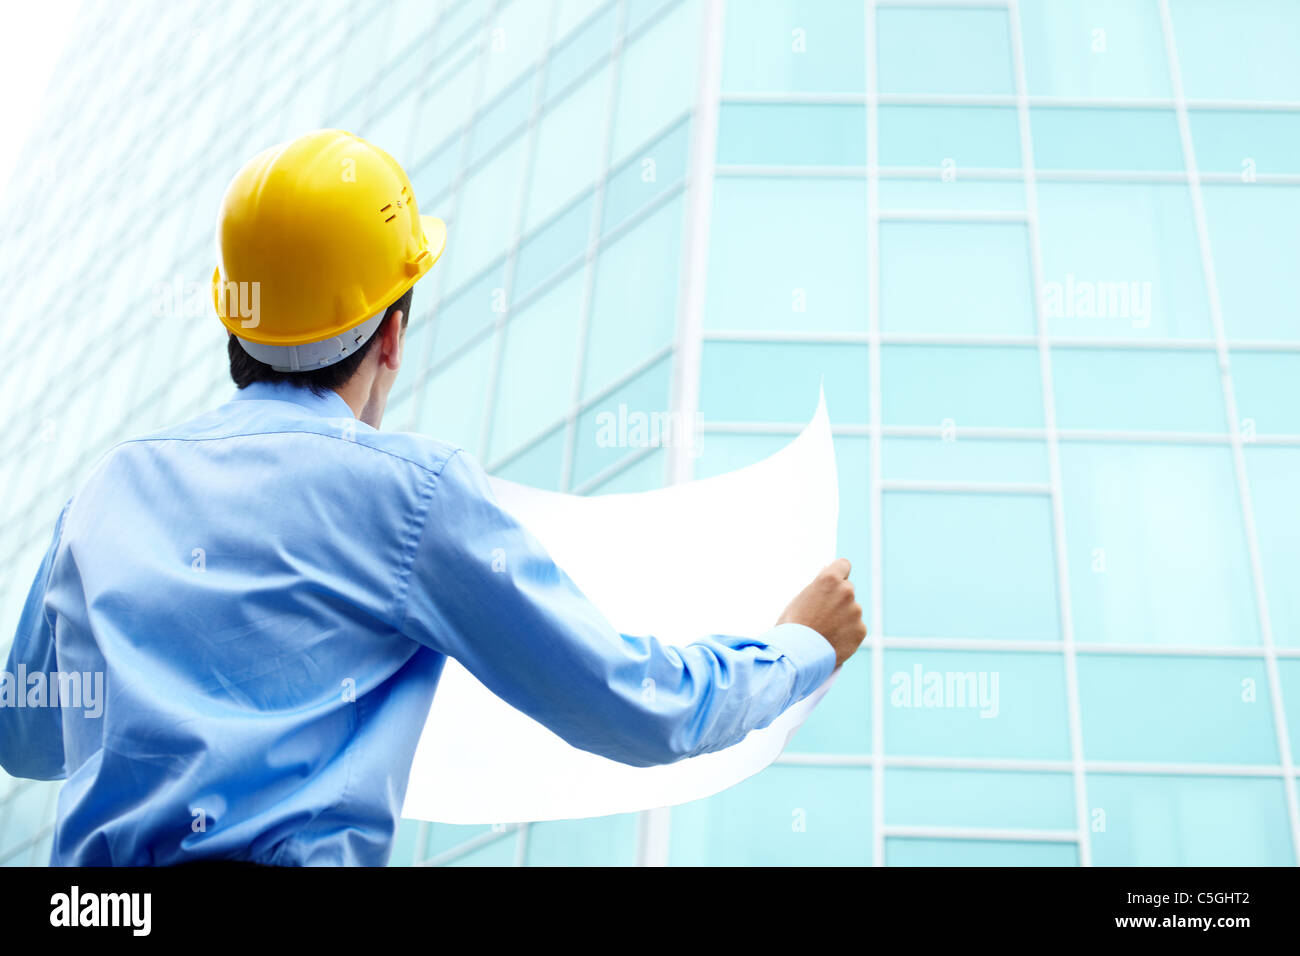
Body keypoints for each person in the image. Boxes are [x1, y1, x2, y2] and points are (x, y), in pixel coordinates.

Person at [0, 130, 867, 866]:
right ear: (392, 335)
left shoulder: (105, 494)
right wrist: (797, 648)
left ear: (238, 320)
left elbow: (25, 733)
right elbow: (642, 709)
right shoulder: (409, 498)